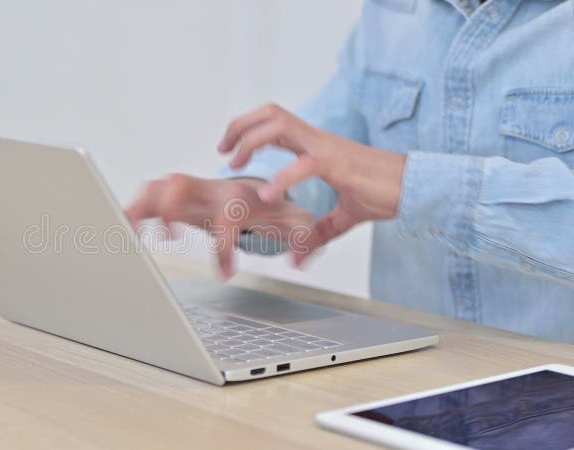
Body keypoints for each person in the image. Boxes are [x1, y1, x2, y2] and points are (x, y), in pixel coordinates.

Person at [125, 0, 574, 343]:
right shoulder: (393, 12)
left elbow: (380, 174)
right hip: (410, 384)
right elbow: (330, 140)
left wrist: (410, 184)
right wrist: (258, 194)